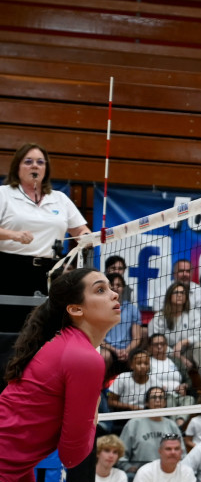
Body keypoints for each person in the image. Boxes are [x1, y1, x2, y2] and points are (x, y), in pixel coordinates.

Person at [0, 144, 90, 332]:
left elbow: (80, 230)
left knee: (45, 329)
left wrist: (86, 236)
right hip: (9, 269)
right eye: (29, 162)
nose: (35, 166)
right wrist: (13, 235)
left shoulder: (59, 199)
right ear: (18, 167)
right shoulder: (4, 194)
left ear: (46, 169)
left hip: (50, 272)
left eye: (40, 162)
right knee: (9, 331)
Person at [117, 387, 182, 475]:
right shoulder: (133, 424)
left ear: (165, 402)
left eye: (161, 397)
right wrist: (128, 467)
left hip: (167, 473)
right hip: (138, 473)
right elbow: (121, 453)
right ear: (146, 402)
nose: (158, 400)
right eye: (153, 397)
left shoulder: (172, 425)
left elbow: (182, 454)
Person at [149, 282, 201, 372]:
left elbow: (200, 335)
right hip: (166, 354)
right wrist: (179, 357)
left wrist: (183, 342)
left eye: (182, 293)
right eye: (176, 293)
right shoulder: (159, 317)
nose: (179, 295)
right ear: (169, 296)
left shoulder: (193, 314)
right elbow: (155, 342)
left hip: (188, 352)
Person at [101, 272, 144, 374]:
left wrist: (126, 350)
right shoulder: (101, 309)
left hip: (128, 349)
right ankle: (99, 388)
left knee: (141, 357)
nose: (115, 288)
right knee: (104, 356)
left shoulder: (132, 309)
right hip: (108, 348)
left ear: (123, 288)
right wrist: (115, 350)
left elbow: (137, 338)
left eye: (119, 285)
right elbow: (98, 339)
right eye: (112, 285)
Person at [148, 258, 201, 324]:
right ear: (174, 274)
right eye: (181, 271)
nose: (185, 274)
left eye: (188, 271)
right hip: (167, 328)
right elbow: (159, 317)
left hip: (192, 331)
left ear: (192, 274)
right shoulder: (162, 291)